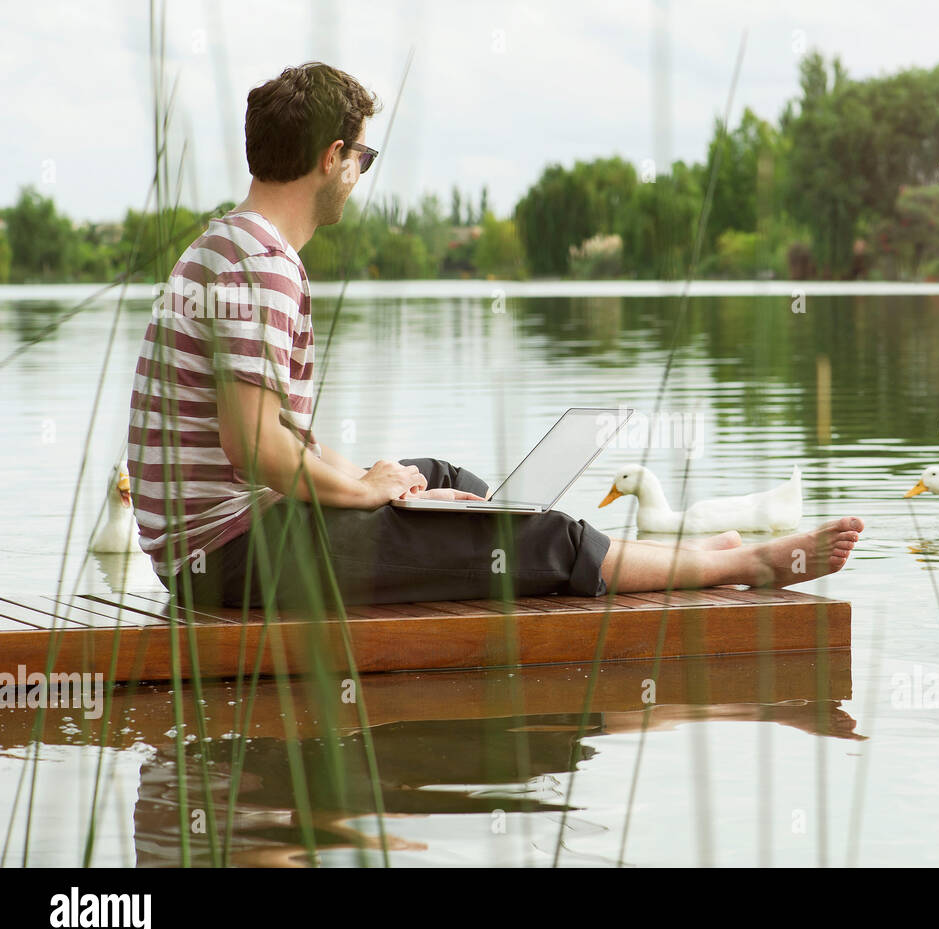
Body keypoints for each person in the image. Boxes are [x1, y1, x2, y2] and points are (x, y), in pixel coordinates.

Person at [126, 62, 863, 611]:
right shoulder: (261, 266)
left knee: (444, 481)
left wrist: (380, 486)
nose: (360, 174)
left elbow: (282, 438)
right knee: (534, 543)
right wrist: (360, 492)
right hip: (230, 559)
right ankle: (726, 565)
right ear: (332, 158)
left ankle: (631, 552)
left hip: (234, 538)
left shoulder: (230, 244)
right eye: (362, 158)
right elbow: (254, 447)